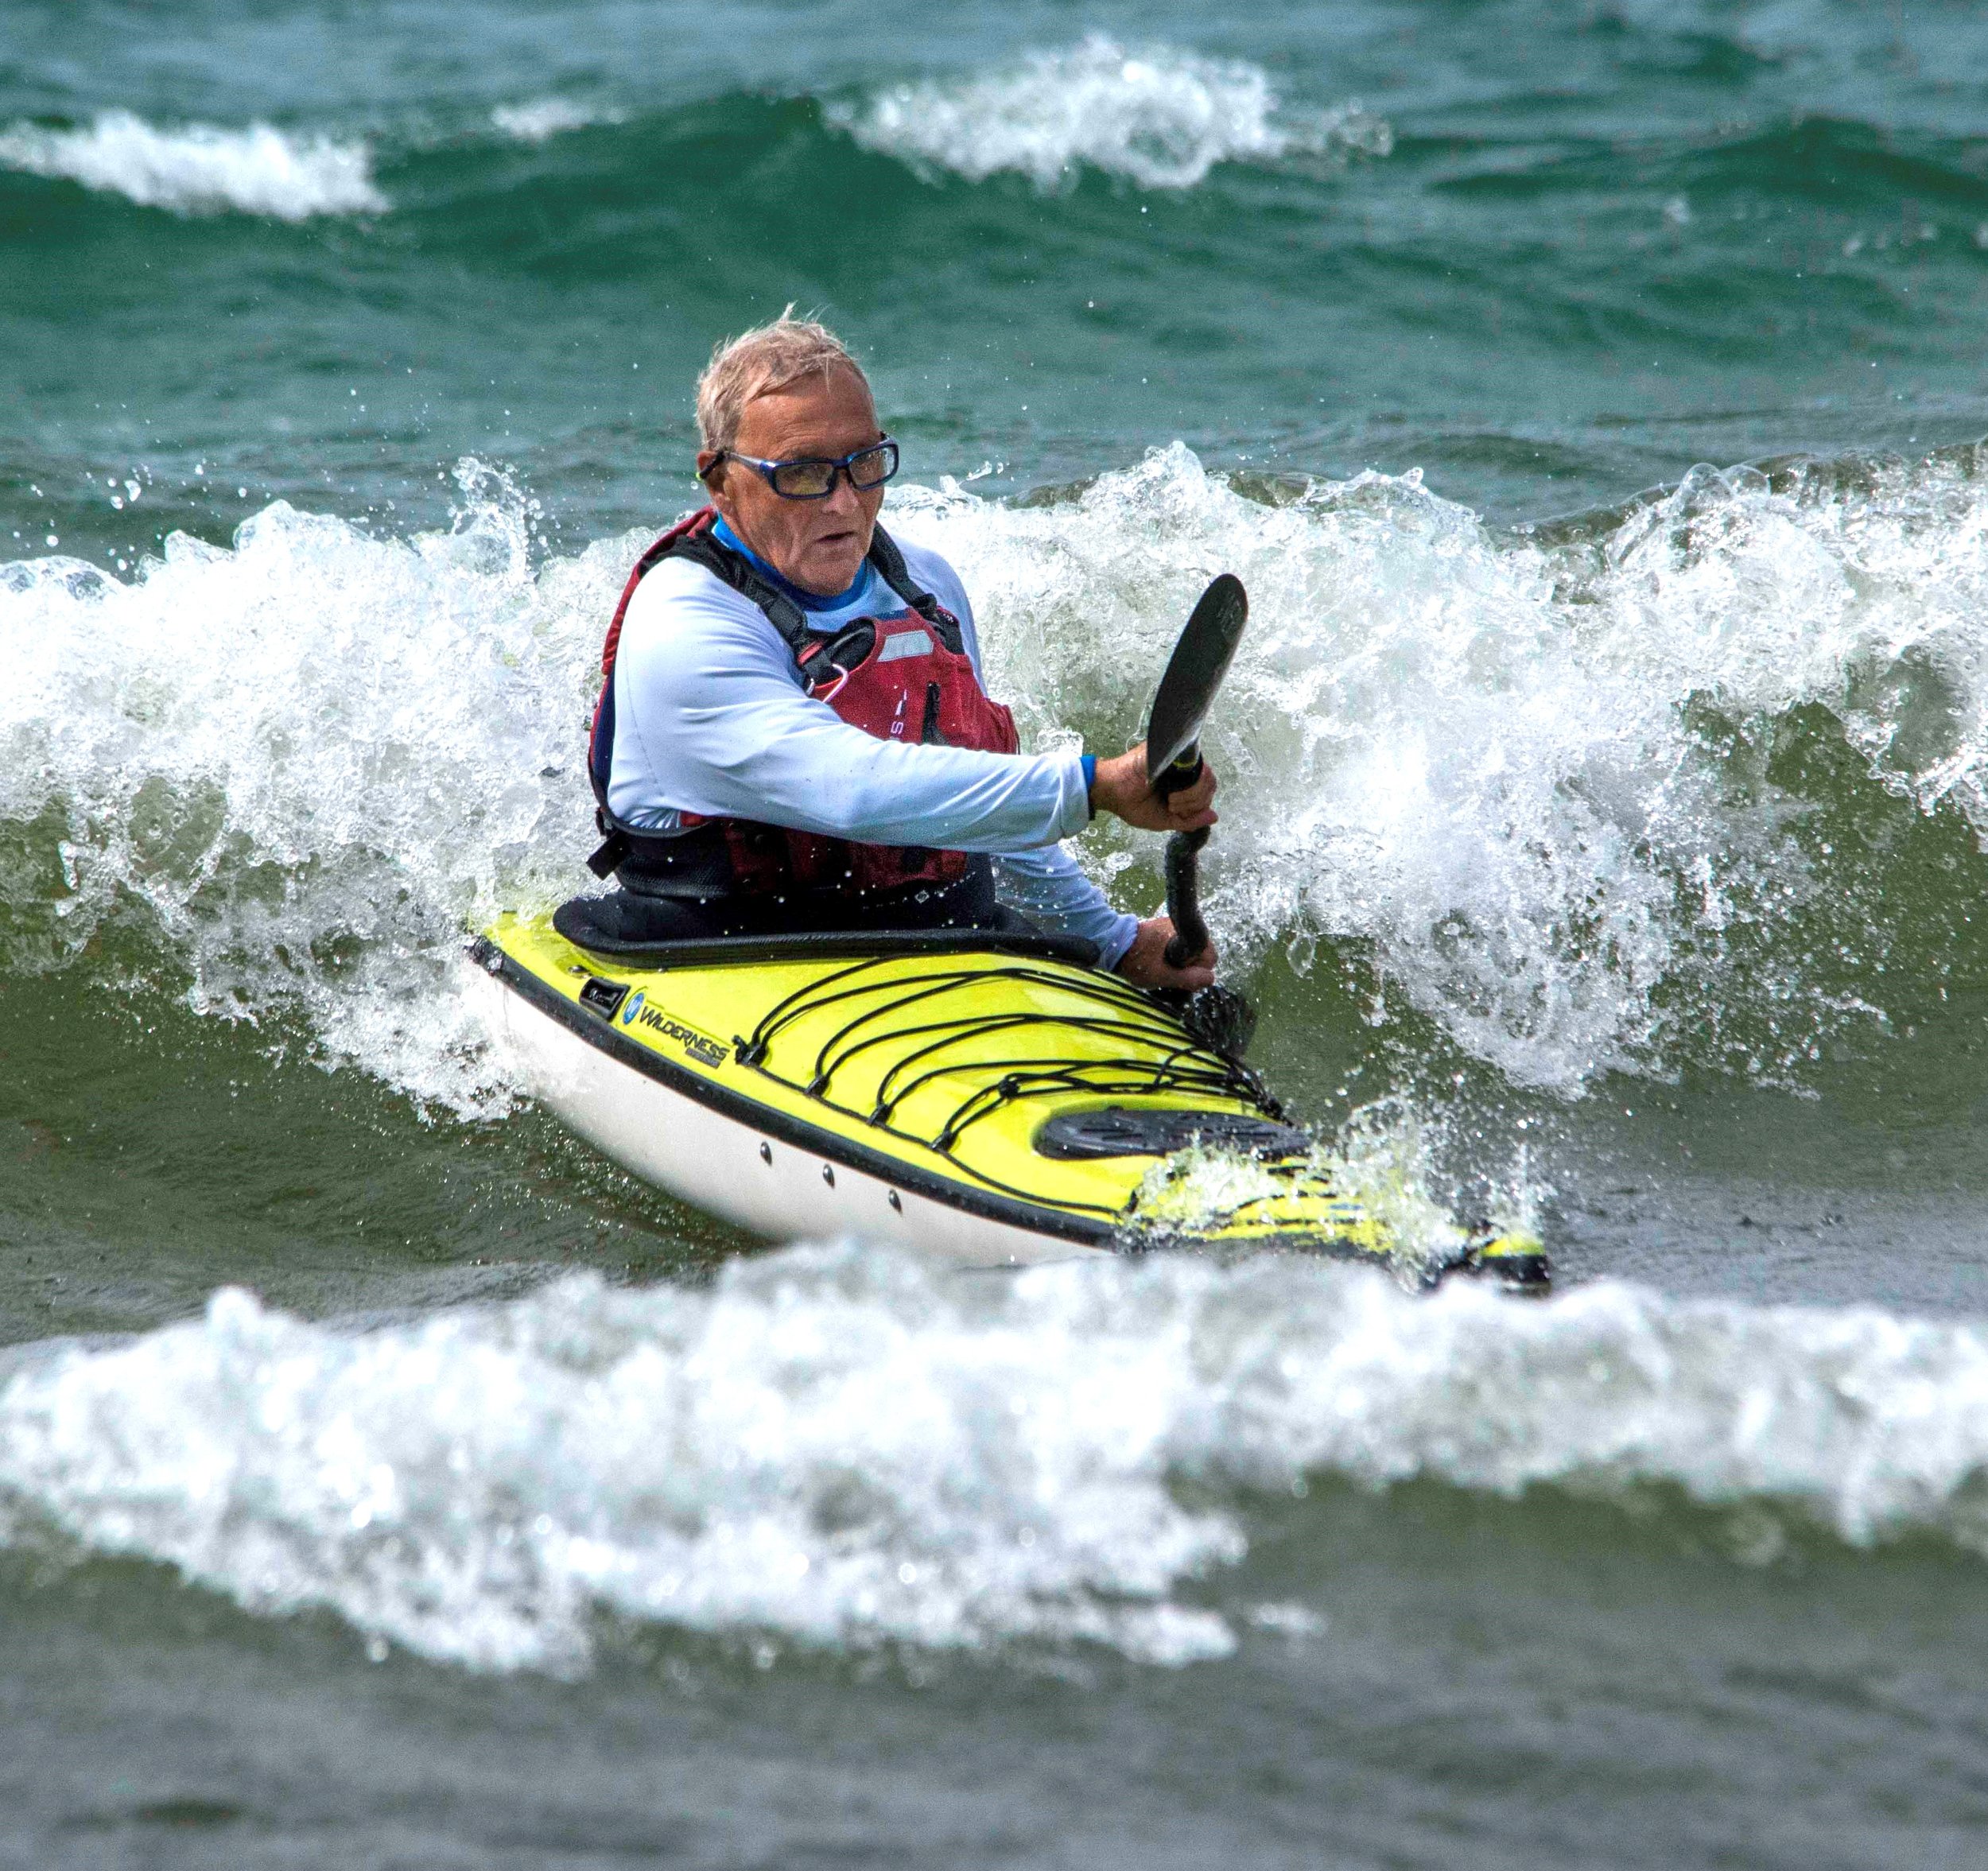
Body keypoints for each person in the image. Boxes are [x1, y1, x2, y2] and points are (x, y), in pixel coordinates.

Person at [581, 313, 1219, 991]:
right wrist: (1091, 787)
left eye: (863, 464)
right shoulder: (684, 623)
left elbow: (975, 790)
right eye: (803, 473)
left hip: (938, 944)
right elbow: (850, 787)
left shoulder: (925, 588)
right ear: (721, 481)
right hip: (727, 958)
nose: (843, 503)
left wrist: (1113, 941)